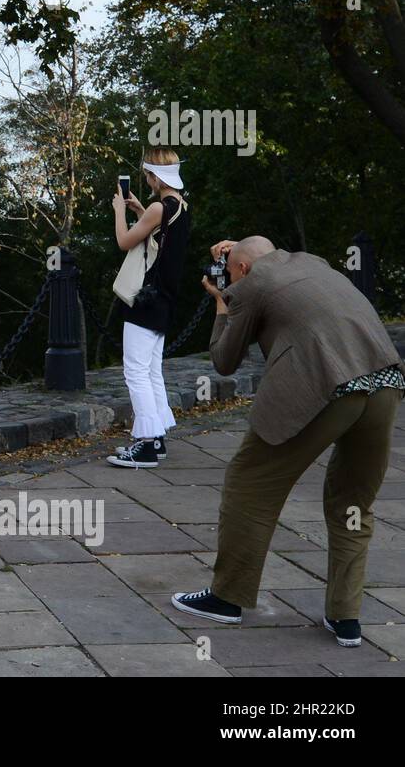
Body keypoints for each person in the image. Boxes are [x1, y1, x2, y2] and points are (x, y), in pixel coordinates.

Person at [171, 237, 404, 648]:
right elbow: (258, 252)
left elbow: (224, 360)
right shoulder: (313, 260)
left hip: (328, 383)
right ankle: (345, 617)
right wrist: (239, 253)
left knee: (250, 482)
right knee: (352, 503)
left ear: (240, 269)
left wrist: (222, 301)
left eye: (234, 270)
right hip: (385, 382)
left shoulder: (250, 282)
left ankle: (226, 598)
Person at [106, 148, 191, 469]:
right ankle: (155, 438)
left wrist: (119, 210)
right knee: (151, 370)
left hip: (146, 298)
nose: (146, 180)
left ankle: (144, 445)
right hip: (165, 299)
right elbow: (162, 235)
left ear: (156, 177)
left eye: (147, 176)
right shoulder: (179, 205)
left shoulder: (158, 207)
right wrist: (142, 209)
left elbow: (124, 241)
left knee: (135, 372)